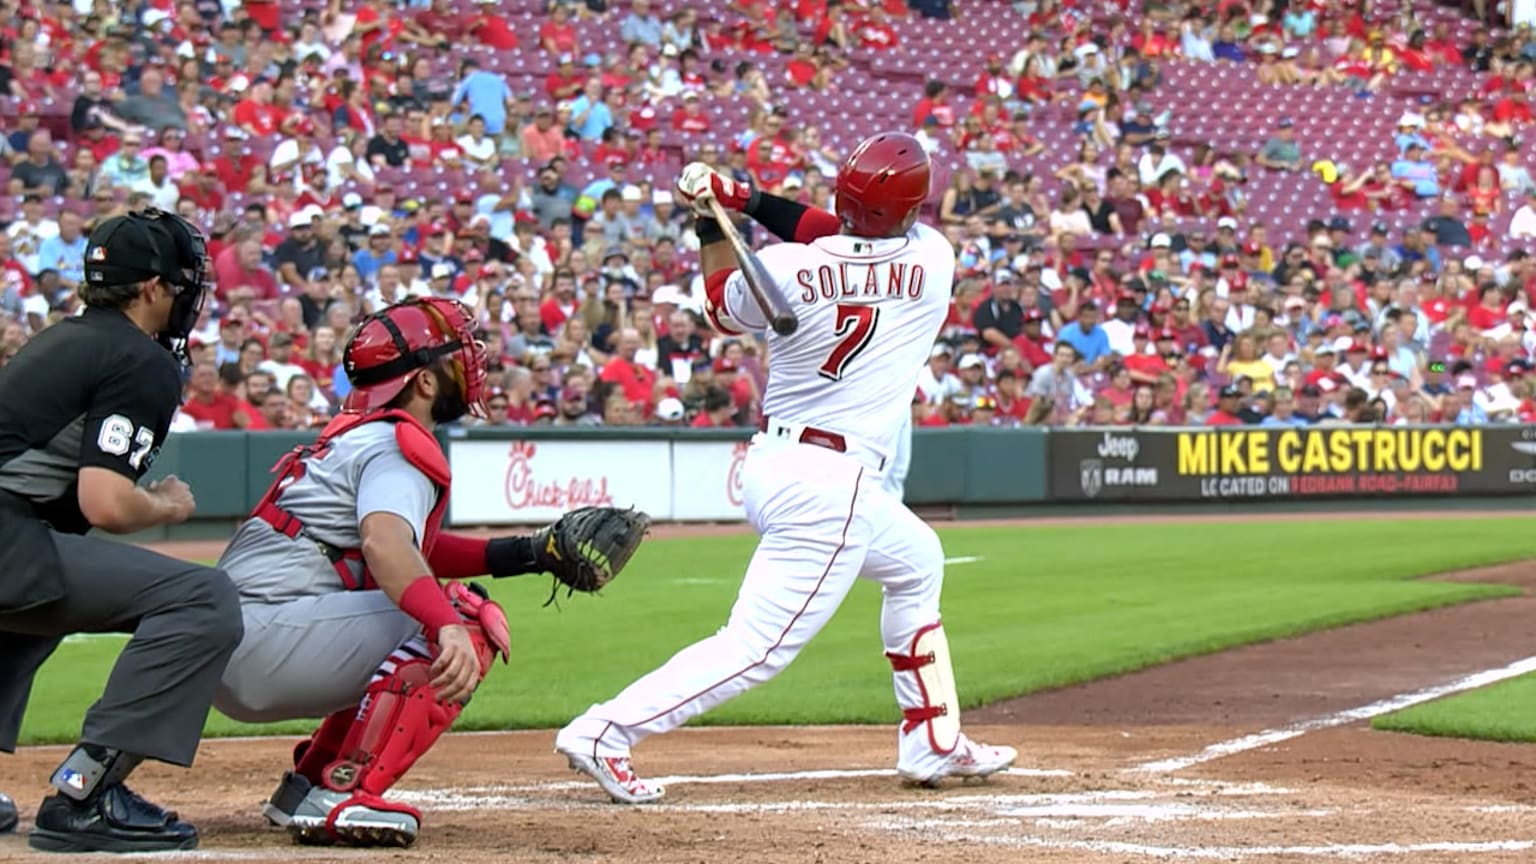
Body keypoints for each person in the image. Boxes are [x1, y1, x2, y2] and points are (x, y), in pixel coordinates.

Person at [556, 133, 1017, 804]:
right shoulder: (934, 256)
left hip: (778, 462)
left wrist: (711, 219)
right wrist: (739, 200)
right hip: (834, 484)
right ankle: (606, 731)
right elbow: (847, 234)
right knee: (757, 646)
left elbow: (721, 305)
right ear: (912, 209)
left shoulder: (788, 267)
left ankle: (932, 739)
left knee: (917, 561)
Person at [212, 297, 647, 848]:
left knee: (415, 606)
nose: (470, 364)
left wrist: (530, 553)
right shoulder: (397, 444)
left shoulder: (360, 433)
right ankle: (345, 790)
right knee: (464, 619)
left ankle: (309, 784)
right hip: (264, 642)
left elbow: (412, 549)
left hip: (239, 638)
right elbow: (386, 544)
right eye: (454, 356)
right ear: (422, 381)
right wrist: (444, 624)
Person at [0, 209, 241, 853]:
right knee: (204, 599)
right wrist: (162, 505)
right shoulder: (139, 357)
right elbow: (104, 503)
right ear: (152, 288)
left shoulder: (63, 338)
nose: (188, 295)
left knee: (31, 613)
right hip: (9, 535)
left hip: (15, 533)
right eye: (182, 282)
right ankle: (86, 793)